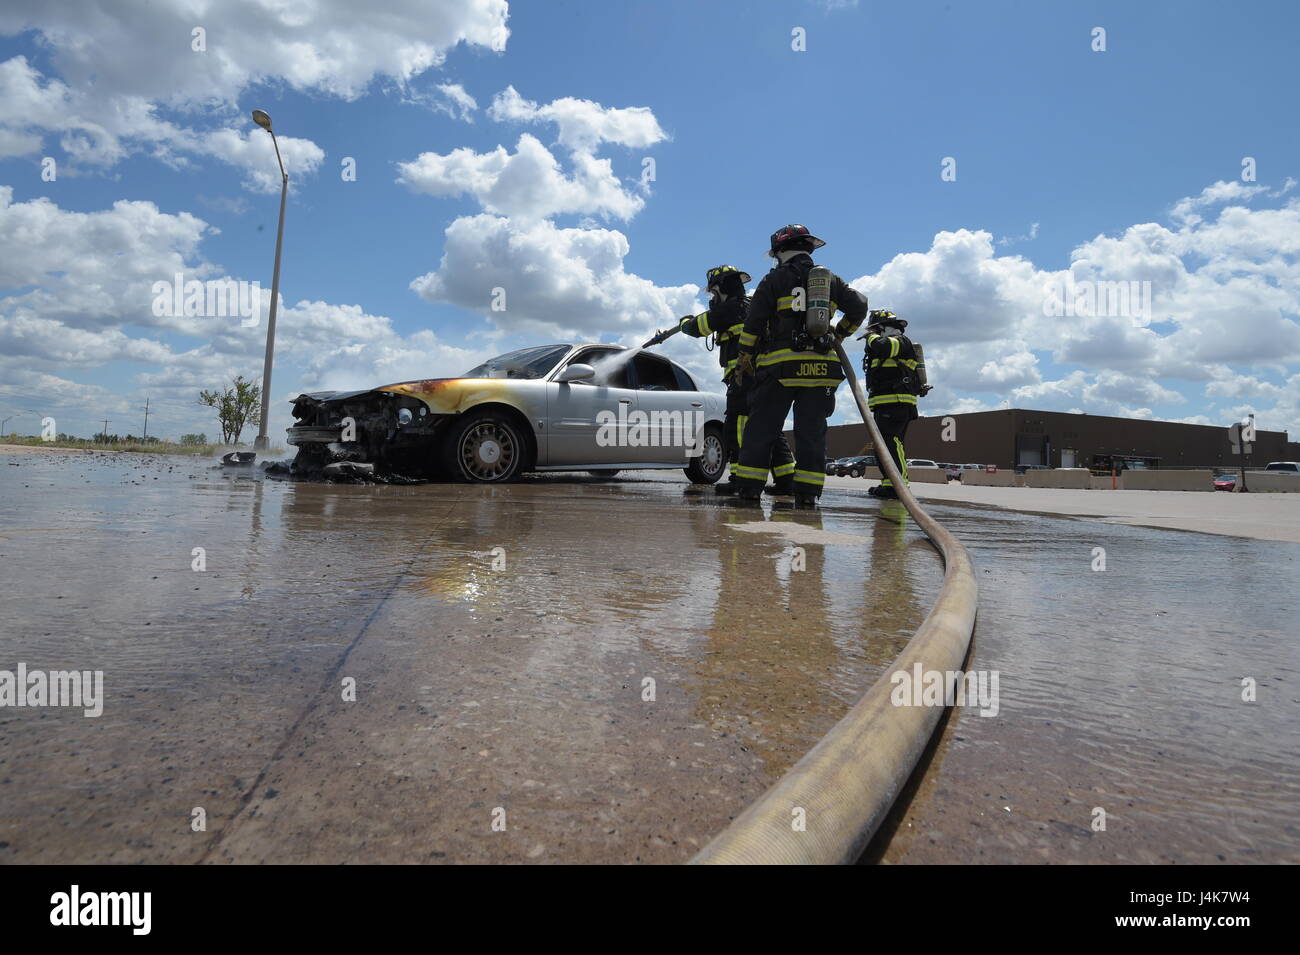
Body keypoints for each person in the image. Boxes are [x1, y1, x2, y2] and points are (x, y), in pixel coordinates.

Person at [729, 225, 868, 507]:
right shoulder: (830, 280)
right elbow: (859, 306)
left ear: (780, 251)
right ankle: (807, 495)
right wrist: (838, 333)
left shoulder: (774, 279)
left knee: (762, 429)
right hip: (821, 371)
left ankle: (749, 490)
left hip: (780, 368)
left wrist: (744, 355)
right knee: (812, 433)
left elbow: (753, 323)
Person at [674, 265, 794, 493]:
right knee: (769, 427)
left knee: (736, 426)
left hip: (743, 377)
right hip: (766, 376)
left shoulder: (731, 308)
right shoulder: (751, 306)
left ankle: (740, 478)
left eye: (712, 292)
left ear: (719, 288)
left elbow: (697, 328)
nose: (712, 297)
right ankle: (787, 480)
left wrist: (684, 323)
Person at [858, 309, 928, 499]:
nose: (872, 335)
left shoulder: (900, 341)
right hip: (885, 404)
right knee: (884, 445)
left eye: (875, 330)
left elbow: (884, 347)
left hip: (896, 403)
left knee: (891, 442)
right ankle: (889, 484)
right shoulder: (883, 345)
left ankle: (899, 484)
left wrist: (870, 337)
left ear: (883, 328)